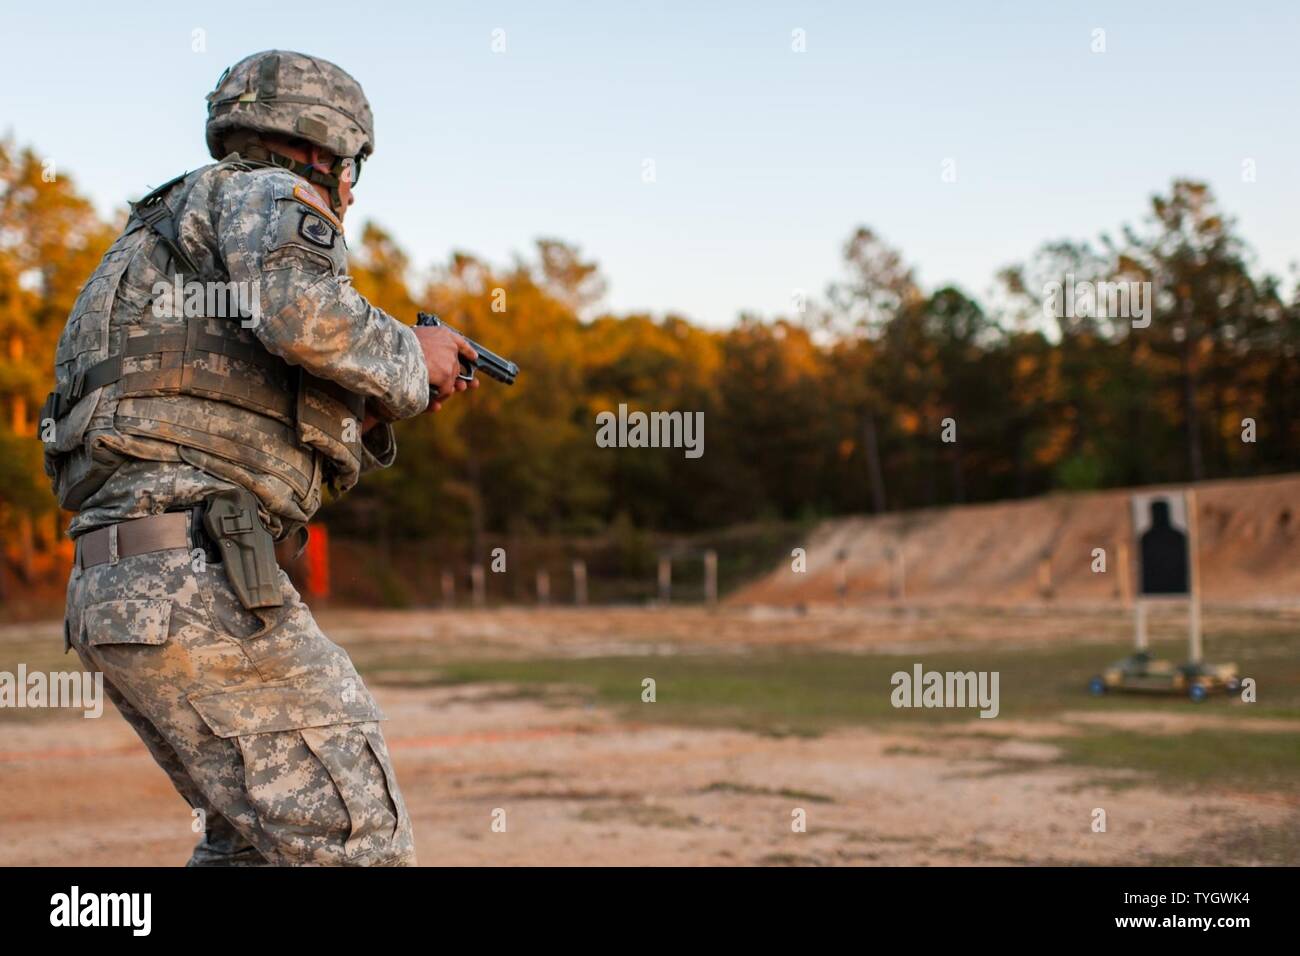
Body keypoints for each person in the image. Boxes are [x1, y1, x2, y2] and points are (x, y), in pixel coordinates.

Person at [40, 50, 473, 866]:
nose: (348, 188)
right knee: (356, 842)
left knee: (251, 848)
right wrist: (415, 357)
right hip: (191, 574)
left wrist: (372, 401)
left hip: (129, 579)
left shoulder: (161, 235)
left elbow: (227, 392)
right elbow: (308, 312)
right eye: (350, 167)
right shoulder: (266, 193)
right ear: (326, 148)